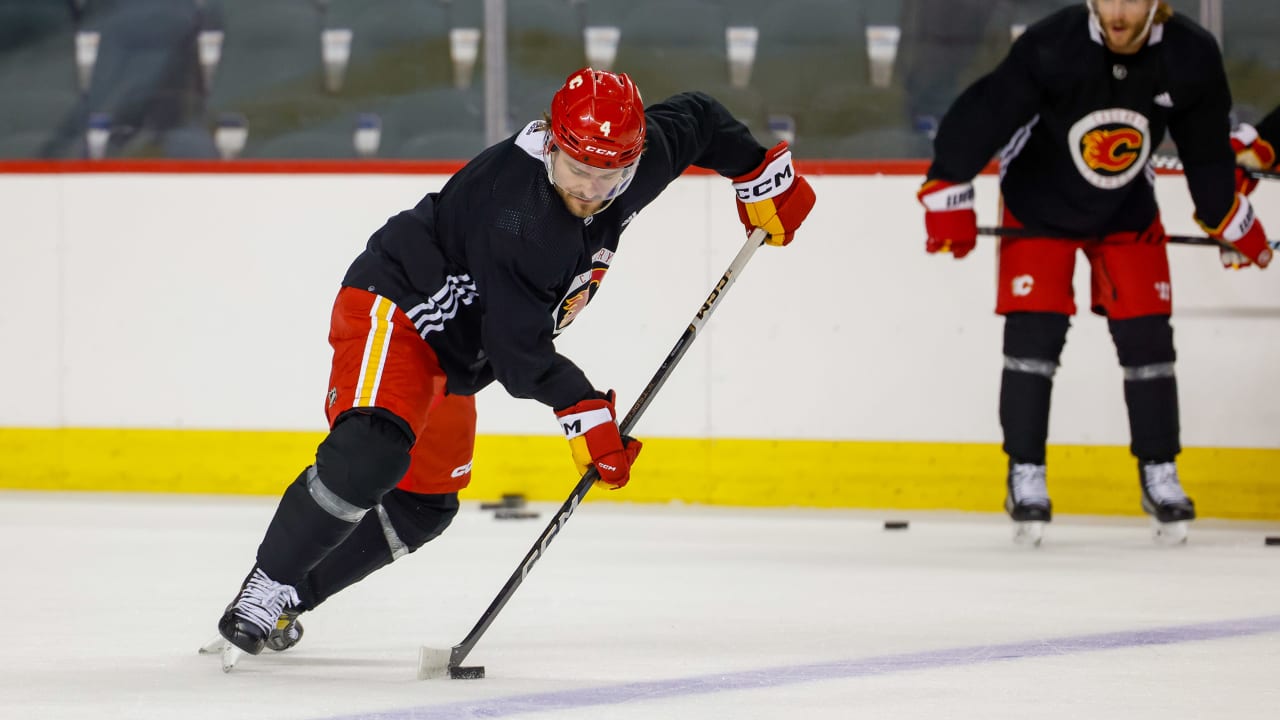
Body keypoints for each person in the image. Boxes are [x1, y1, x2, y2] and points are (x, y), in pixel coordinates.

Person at [211, 67, 816, 666]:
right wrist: (582, 408)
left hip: (458, 353)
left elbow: (700, 118)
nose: (588, 188)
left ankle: (293, 596)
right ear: (552, 143)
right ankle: (266, 584)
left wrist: (760, 172)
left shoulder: (627, 161)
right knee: (372, 452)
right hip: (401, 308)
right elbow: (517, 351)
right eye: (577, 169)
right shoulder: (519, 215)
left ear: (632, 165)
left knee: (424, 508)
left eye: (608, 176)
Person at [915, 0, 1271, 545]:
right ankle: (1025, 472)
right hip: (1038, 203)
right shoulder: (1052, 44)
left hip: (1126, 207)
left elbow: (1204, 154)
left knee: (1148, 335)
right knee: (1034, 337)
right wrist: (948, 188)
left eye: (1131, 0)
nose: (1117, 13)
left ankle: (1160, 470)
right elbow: (982, 113)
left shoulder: (1189, 54)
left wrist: (1228, 216)